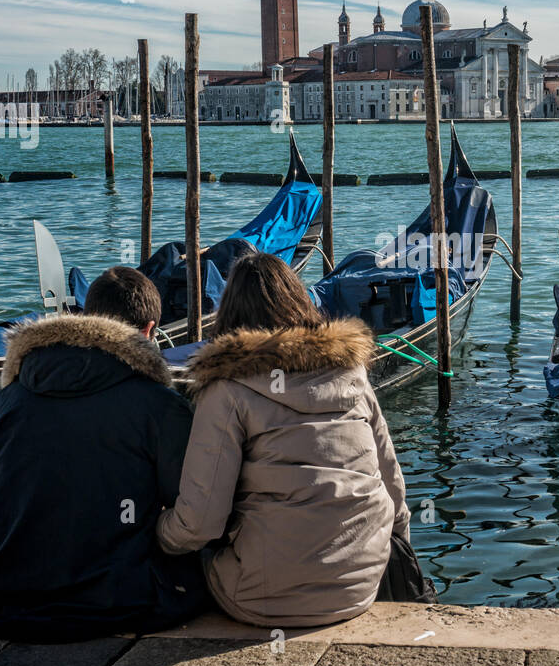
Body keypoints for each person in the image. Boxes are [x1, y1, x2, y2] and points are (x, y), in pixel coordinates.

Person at [0, 267, 209, 642]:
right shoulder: (159, 404)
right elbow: (186, 500)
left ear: (86, 318)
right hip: (109, 594)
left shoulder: (12, 393)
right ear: (150, 330)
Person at [157, 252, 414, 628]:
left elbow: (200, 524)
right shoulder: (354, 375)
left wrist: (158, 530)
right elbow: (395, 493)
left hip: (260, 597)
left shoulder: (226, 390)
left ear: (229, 313)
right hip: (362, 585)